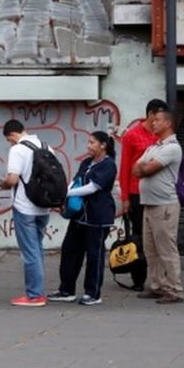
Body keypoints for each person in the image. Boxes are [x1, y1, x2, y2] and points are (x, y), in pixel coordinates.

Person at [48, 131, 118, 306]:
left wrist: (68, 192)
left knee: (95, 255)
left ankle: (93, 293)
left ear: (103, 145)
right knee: (70, 251)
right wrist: (65, 194)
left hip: (97, 216)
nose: (88, 146)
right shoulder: (87, 162)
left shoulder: (108, 165)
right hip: (79, 215)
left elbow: (92, 187)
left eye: (92, 143)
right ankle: (66, 289)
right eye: (88, 142)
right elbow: (77, 181)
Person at [132, 109, 184, 304]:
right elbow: (135, 168)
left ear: (168, 124)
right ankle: (157, 285)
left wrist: (144, 167)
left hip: (164, 205)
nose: (152, 124)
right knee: (151, 249)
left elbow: (146, 168)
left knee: (166, 249)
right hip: (149, 203)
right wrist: (143, 167)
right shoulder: (153, 146)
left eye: (156, 121)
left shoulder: (172, 147)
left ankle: (174, 289)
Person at [0, 119, 51, 307]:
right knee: (37, 248)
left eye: (8, 139)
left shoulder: (17, 149)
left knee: (30, 252)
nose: (10, 143)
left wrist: (3, 183)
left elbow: (12, 179)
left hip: (25, 206)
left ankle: (34, 295)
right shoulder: (46, 146)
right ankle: (39, 291)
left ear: (12, 135)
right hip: (44, 207)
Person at [118, 99, 167, 291]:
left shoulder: (163, 136)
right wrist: (125, 198)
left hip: (159, 194)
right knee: (139, 238)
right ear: (150, 114)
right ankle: (139, 279)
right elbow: (124, 168)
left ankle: (160, 279)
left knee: (159, 238)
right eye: (159, 116)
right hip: (137, 193)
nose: (161, 121)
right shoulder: (133, 135)